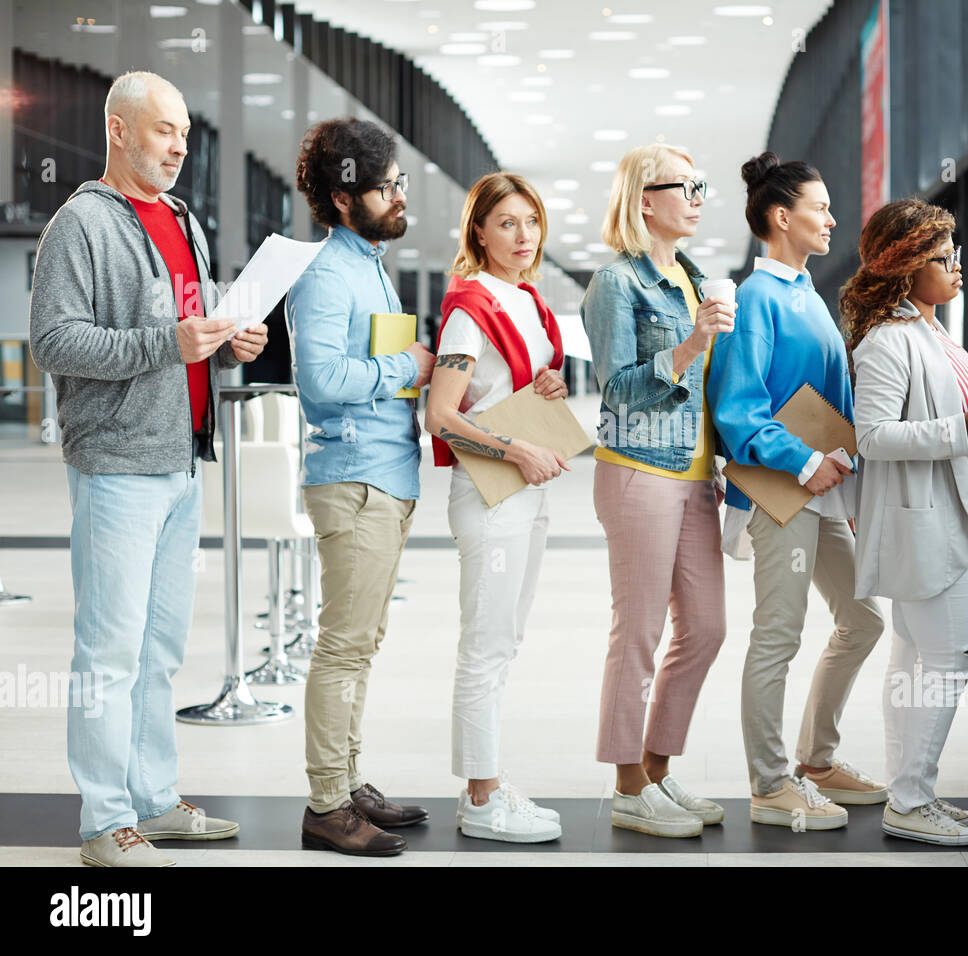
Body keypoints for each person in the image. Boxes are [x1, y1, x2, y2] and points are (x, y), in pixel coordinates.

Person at [28, 71, 265, 866]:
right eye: (165, 130)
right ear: (119, 130)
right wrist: (169, 345)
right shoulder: (81, 224)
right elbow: (56, 343)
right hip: (116, 465)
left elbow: (189, 334)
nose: (178, 148)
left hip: (181, 460)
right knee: (109, 650)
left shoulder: (185, 221)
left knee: (160, 649)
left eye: (186, 135)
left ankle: (153, 799)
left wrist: (227, 346)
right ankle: (103, 821)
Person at [708, 152, 888, 831]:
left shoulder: (805, 292)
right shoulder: (756, 299)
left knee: (863, 617)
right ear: (782, 217)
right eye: (820, 206)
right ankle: (769, 783)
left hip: (820, 490)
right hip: (782, 492)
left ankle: (817, 759)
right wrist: (806, 459)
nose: (832, 217)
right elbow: (738, 410)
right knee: (777, 636)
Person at [287, 117, 435, 857]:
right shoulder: (324, 275)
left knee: (361, 643)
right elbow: (320, 380)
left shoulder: (370, 265)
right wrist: (409, 367)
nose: (399, 197)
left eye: (399, 183)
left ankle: (346, 784)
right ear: (345, 200)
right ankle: (325, 805)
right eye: (386, 188)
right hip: (353, 483)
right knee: (342, 648)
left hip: (387, 477)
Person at [845, 198, 968, 846]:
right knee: (949, 659)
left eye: (956, 254)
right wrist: (962, 428)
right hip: (929, 522)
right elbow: (873, 436)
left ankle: (911, 792)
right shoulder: (890, 340)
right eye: (941, 258)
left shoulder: (932, 331)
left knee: (916, 659)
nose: (956, 266)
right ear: (906, 267)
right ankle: (911, 800)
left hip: (952, 511)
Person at [581, 144, 734, 838]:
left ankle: (658, 770)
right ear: (646, 199)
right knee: (638, 631)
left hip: (698, 476)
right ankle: (626, 784)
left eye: (703, 186)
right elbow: (614, 395)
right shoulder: (618, 283)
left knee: (706, 626)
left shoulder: (698, 277)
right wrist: (687, 348)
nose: (699, 196)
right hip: (639, 468)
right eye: (687, 186)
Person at [424, 172, 568, 843]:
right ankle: (480, 799)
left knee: (504, 641)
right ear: (478, 230)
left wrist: (546, 382)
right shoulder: (467, 307)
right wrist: (514, 449)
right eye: (507, 222)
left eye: (531, 222)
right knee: (484, 646)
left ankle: (489, 778)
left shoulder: (527, 299)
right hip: (490, 493)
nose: (523, 236)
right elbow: (441, 415)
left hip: (524, 492)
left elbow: (503, 385)